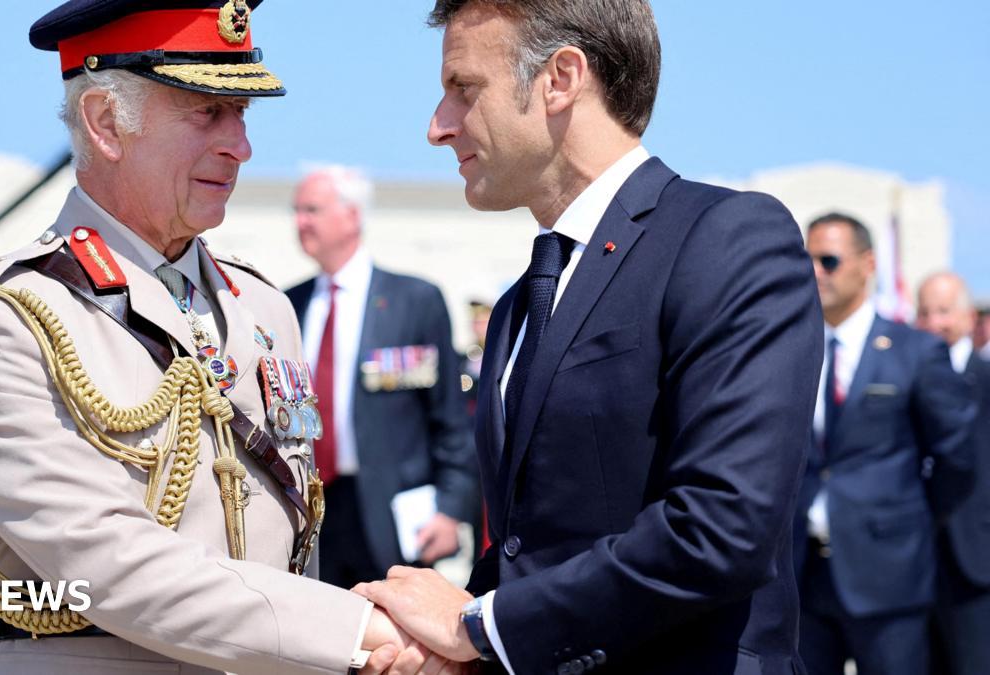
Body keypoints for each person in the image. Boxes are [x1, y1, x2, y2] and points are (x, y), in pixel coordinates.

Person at [0, 1, 421, 672]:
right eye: (206, 112)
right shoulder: (8, 319)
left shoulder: (263, 305)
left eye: (242, 114)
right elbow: (107, 562)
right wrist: (357, 630)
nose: (240, 146)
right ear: (106, 123)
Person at [353, 1, 825, 673]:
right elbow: (532, 545)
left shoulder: (726, 239)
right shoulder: (523, 301)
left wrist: (480, 625)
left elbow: (722, 528)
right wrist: (442, 639)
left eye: (464, 89)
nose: (438, 126)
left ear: (561, 78)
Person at [792, 215, 975, 675]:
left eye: (828, 260)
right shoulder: (794, 349)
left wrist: (907, 521)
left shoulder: (915, 351)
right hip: (802, 575)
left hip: (889, 576)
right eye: (807, 259)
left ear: (867, 263)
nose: (815, 271)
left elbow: (957, 457)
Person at [285, 166, 479, 588]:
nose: (301, 221)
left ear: (352, 216)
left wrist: (451, 509)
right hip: (314, 512)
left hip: (393, 517)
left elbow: (451, 420)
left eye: (312, 209)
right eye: (297, 210)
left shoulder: (414, 301)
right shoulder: (289, 305)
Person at [916, 271, 990, 675]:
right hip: (911, 562)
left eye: (944, 311)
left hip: (977, 562)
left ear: (967, 317)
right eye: (924, 312)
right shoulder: (902, 377)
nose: (934, 322)